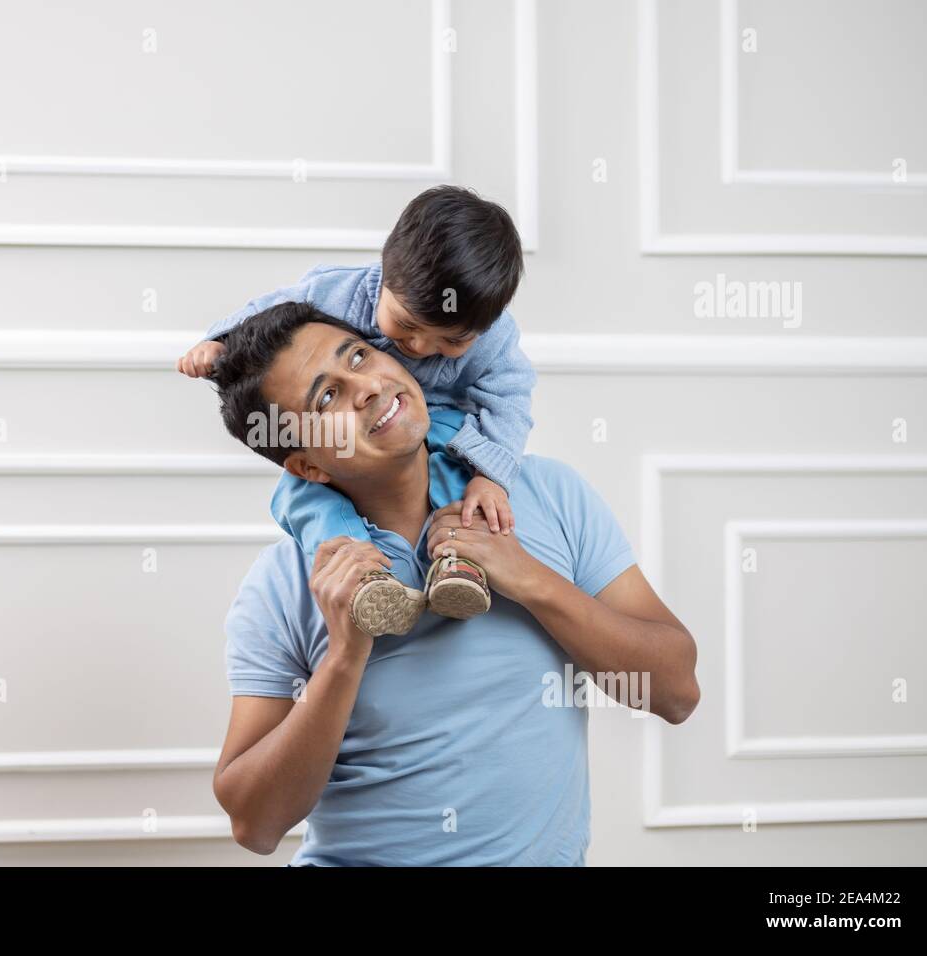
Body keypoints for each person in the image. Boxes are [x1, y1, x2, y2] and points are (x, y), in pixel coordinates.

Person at [205, 303, 700, 866]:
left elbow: (675, 693)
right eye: (327, 397)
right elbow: (254, 824)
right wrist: (345, 655)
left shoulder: (547, 495)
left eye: (361, 356)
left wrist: (530, 579)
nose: (367, 387)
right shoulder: (286, 584)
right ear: (308, 467)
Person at [178, 185, 535, 636]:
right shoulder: (338, 291)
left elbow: (510, 397)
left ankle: (458, 562)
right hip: (343, 450)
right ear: (385, 273)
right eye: (405, 325)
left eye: (453, 341)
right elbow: (270, 311)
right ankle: (364, 576)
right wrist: (219, 341)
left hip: (438, 425)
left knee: (457, 475)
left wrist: (491, 474)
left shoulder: (495, 337)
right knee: (300, 496)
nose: (422, 348)